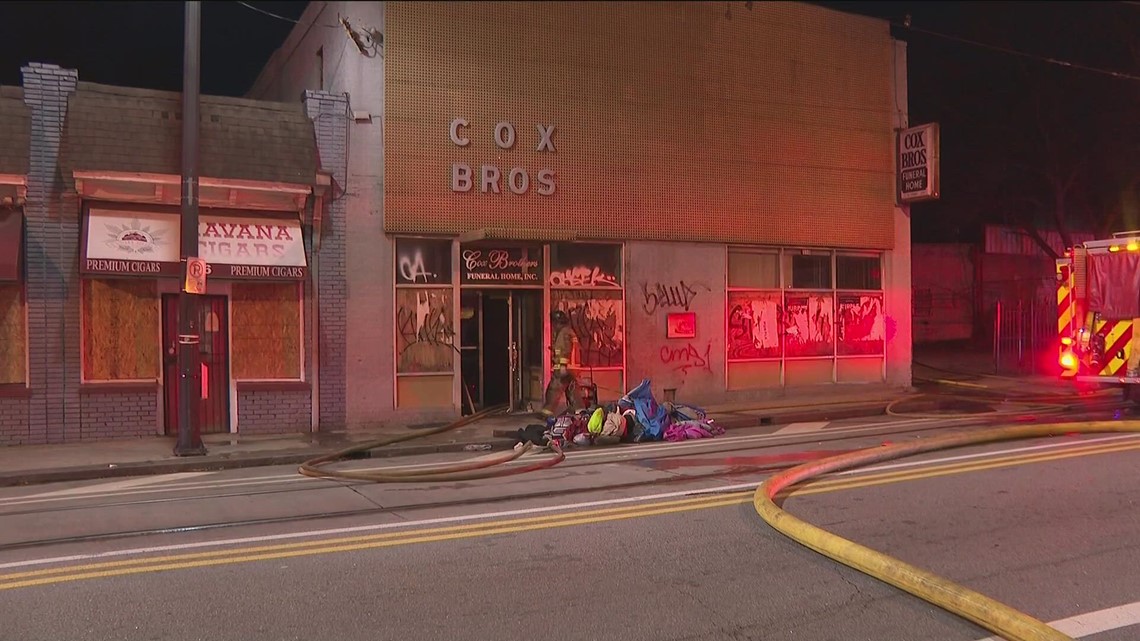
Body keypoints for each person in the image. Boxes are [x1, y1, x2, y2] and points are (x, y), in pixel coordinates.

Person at [540, 309, 581, 418]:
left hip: (564, 368)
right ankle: (580, 412)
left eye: (554, 323)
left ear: (558, 322)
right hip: (572, 368)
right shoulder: (570, 331)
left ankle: (546, 413)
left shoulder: (563, 333)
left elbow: (565, 349)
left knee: (553, 389)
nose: (553, 326)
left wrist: (562, 366)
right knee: (572, 391)